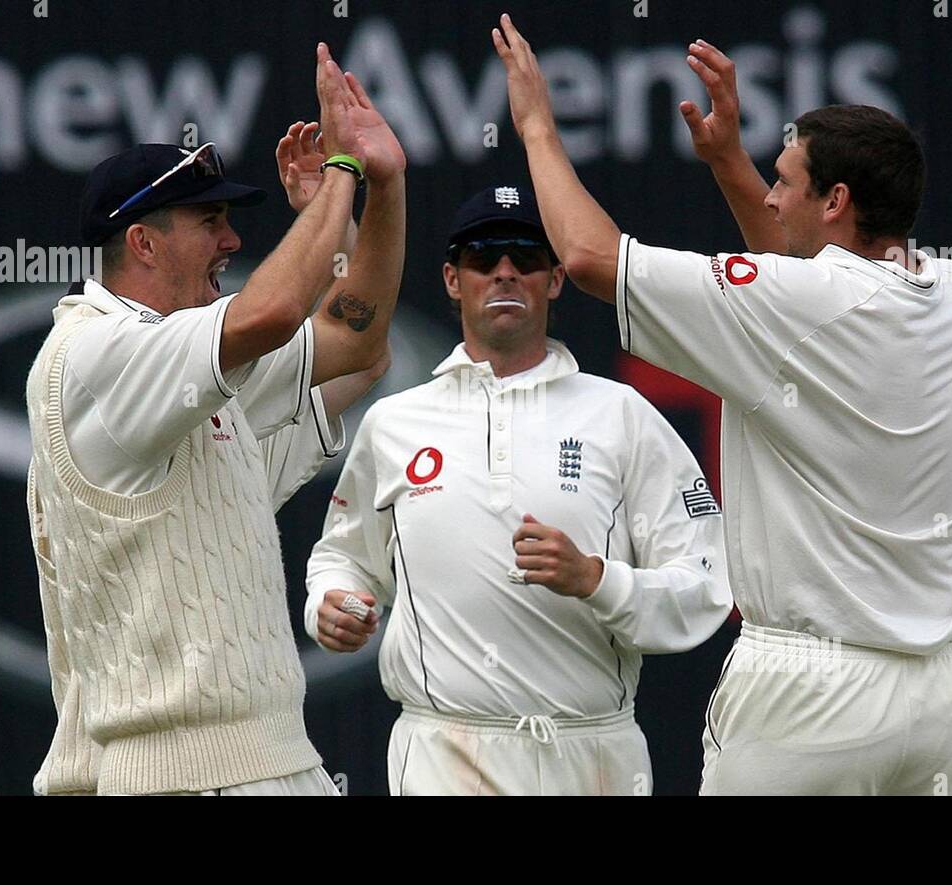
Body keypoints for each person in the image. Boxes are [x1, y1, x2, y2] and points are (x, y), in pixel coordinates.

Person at [493, 14, 952, 795]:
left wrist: (535, 125)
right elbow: (804, 283)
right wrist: (728, 159)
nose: (773, 197)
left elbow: (589, 258)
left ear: (836, 201)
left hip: (813, 696)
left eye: (783, 181)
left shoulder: (804, 305)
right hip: (948, 691)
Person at [26, 43, 407, 795]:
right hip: (179, 779)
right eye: (210, 222)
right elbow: (269, 312)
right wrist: (341, 176)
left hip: (277, 764)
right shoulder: (95, 352)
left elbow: (360, 345)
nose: (231, 242)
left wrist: (380, 188)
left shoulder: (200, 378)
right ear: (142, 241)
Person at [302, 181, 733, 796]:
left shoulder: (622, 415)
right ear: (454, 279)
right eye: (484, 258)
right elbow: (342, 555)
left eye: (525, 258)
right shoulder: (395, 421)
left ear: (554, 279)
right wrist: (334, 602)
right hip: (442, 753)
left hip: (592, 753)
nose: (504, 272)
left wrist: (594, 578)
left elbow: (704, 585)